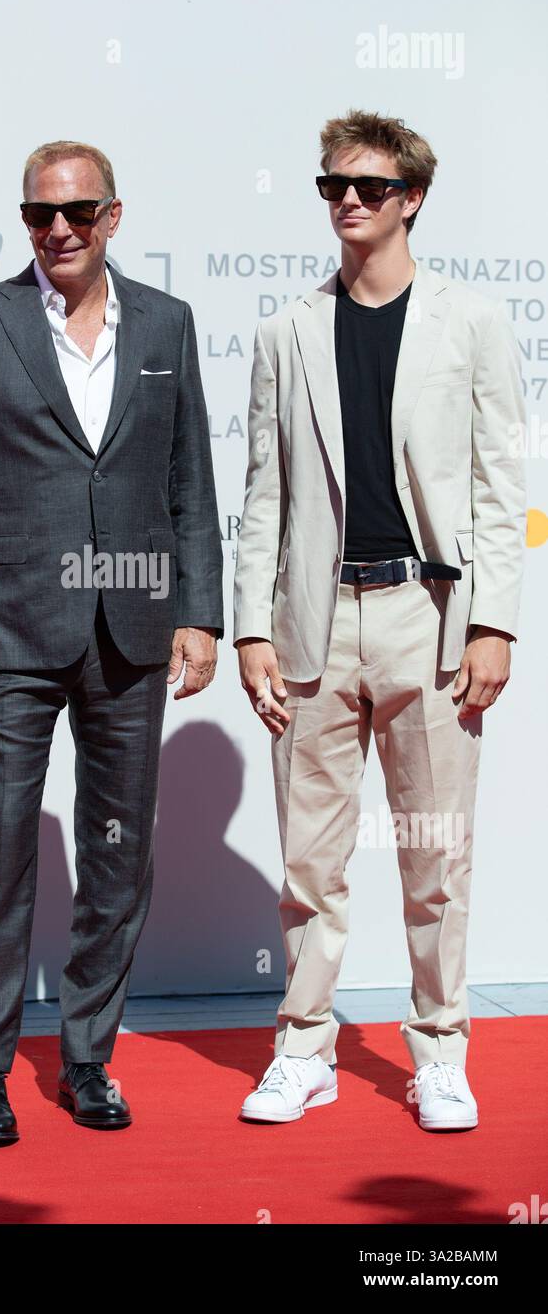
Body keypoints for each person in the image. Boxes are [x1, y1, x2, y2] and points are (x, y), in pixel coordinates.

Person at [0, 140, 223, 1143]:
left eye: (77, 213)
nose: (57, 231)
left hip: (130, 627)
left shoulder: (166, 324)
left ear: (111, 217)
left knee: (117, 857)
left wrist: (200, 611)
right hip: (7, 630)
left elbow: (189, 481)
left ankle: (88, 1057)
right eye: (39, 214)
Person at [233, 109, 526, 1131]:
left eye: (363, 185)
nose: (344, 201)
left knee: (432, 850)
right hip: (313, 620)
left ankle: (437, 1049)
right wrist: (250, 628)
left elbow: (501, 484)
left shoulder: (472, 321)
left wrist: (494, 621)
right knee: (309, 859)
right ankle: (302, 1047)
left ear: (409, 198)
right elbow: (261, 493)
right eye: (329, 186)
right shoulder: (283, 332)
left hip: (430, 616)